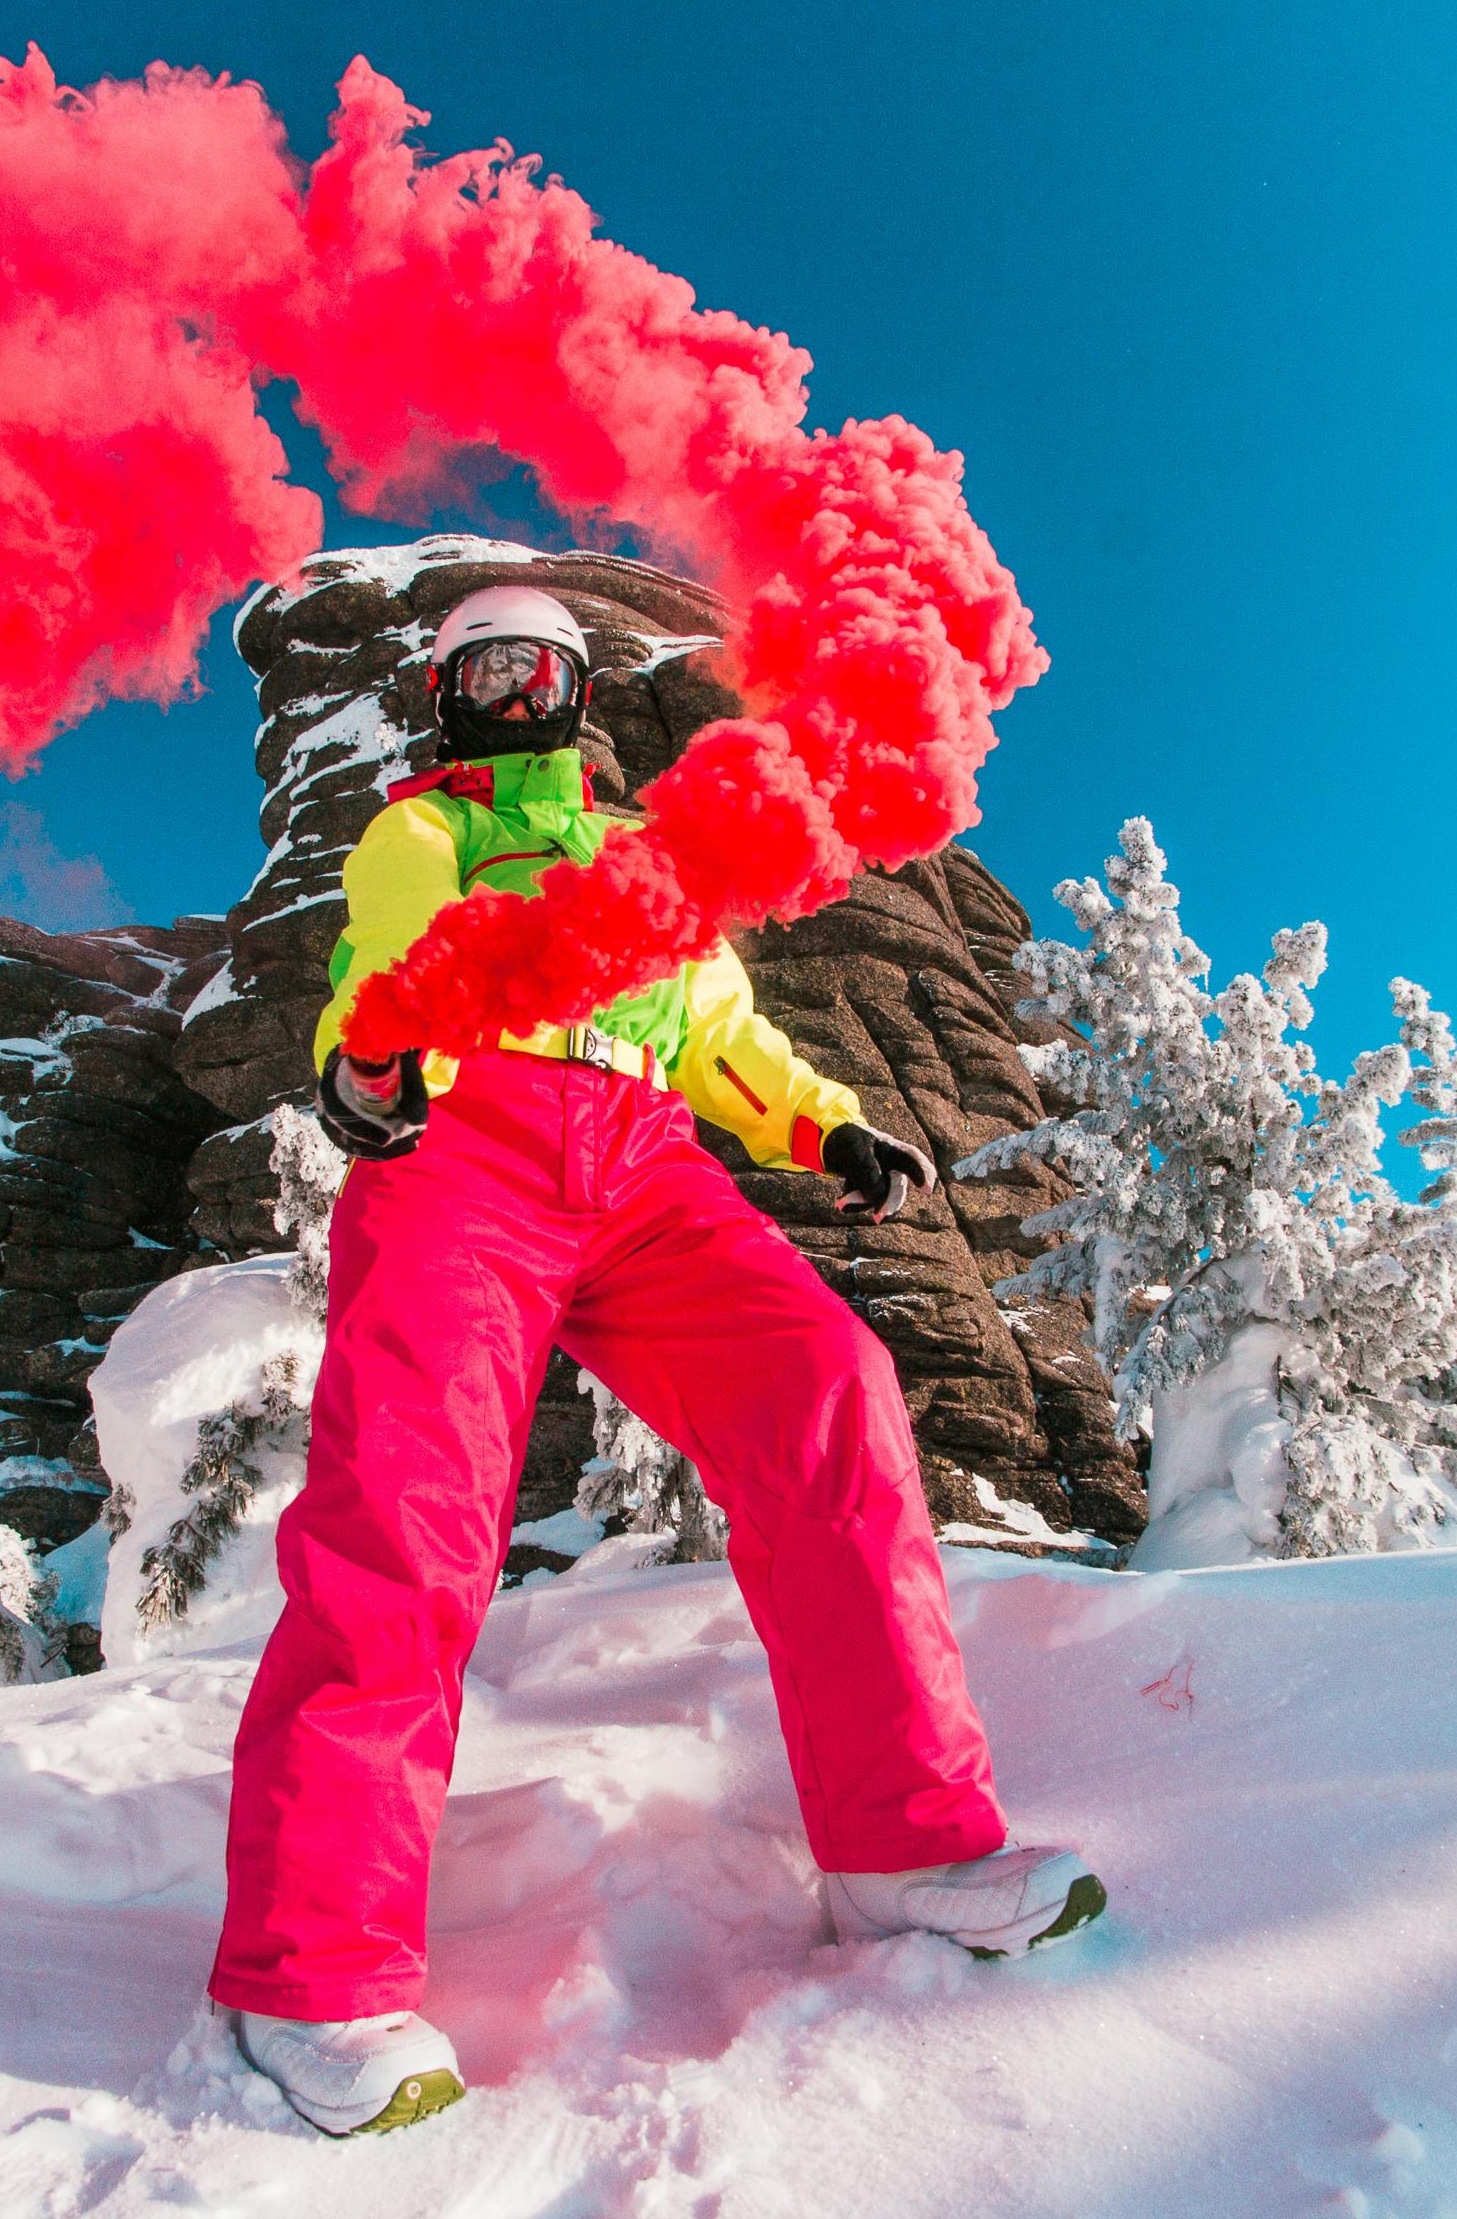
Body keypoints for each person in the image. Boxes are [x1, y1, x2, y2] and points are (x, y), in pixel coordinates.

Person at [212, 584, 1106, 2137]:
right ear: (449, 696)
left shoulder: (645, 863)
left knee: (833, 1388)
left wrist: (823, 1119)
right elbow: (390, 959)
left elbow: (716, 1030)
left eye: (534, 666)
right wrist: (371, 1065)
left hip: (642, 1161)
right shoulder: (422, 828)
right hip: (465, 1143)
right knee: (408, 1519)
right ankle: (309, 1975)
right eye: (477, 668)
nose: (507, 686)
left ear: (570, 691)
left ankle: (902, 1846)